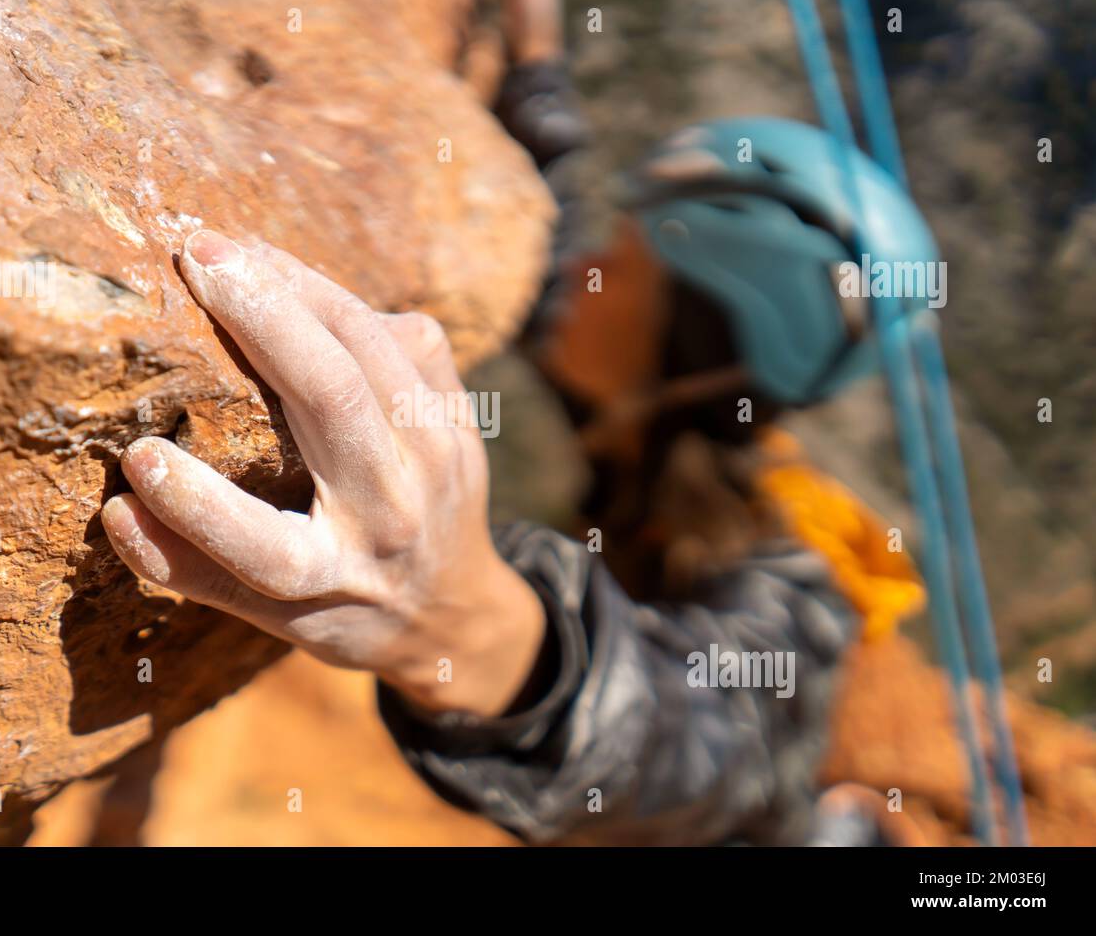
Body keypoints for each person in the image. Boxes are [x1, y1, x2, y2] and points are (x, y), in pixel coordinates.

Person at [100, 113, 938, 846]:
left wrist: (454, 624)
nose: (583, 268)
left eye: (622, 256)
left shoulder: (799, 581)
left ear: (687, 328)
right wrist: (535, 66)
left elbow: (697, 739)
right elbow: (552, 234)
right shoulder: (633, 411)